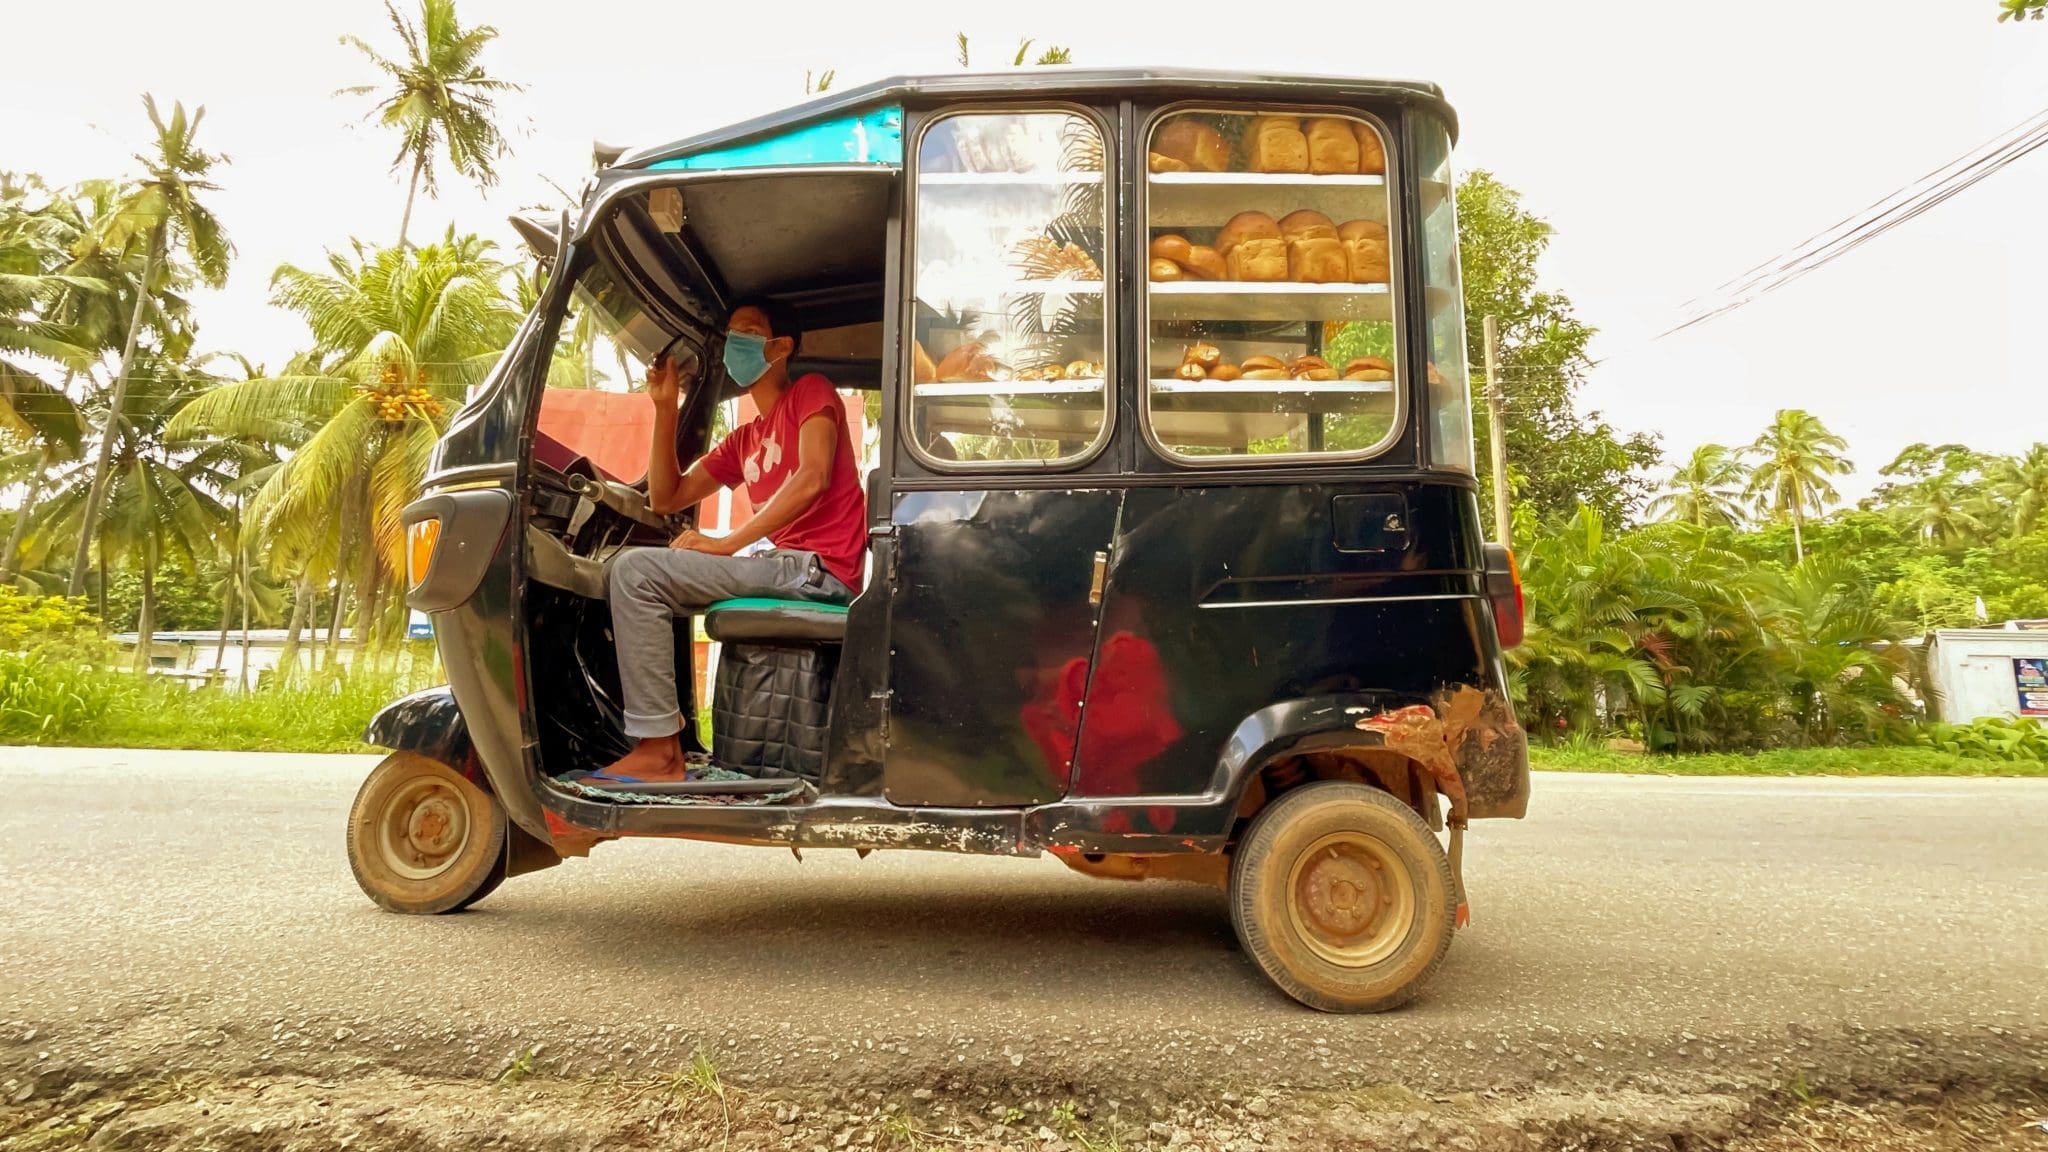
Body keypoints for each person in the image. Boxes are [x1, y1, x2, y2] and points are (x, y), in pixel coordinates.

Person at [591, 300, 867, 787]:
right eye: (731, 333)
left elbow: (813, 477)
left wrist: (726, 544)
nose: (733, 342)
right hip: (782, 568)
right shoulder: (744, 441)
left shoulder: (811, 392)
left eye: (747, 332)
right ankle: (661, 747)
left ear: (779, 347)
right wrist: (664, 410)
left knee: (637, 573)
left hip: (818, 570)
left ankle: (658, 750)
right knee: (639, 571)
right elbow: (665, 496)